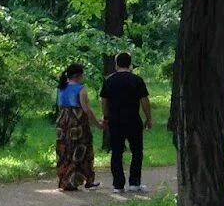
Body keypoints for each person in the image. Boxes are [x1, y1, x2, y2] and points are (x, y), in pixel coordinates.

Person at [100, 50, 152, 193]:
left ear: (116, 64)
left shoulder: (109, 80)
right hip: (133, 119)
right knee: (137, 151)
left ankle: (118, 185)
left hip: (115, 120)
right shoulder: (137, 80)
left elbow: (104, 102)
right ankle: (134, 183)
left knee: (116, 152)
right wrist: (148, 118)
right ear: (130, 64)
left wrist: (106, 117)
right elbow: (144, 101)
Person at [54, 63, 102, 191]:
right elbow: (86, 109)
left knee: (65, 150)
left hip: (62, 124)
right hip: (77, 124)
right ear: (77, 75)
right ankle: (86, 179)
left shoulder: (60, 88)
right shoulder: (80, 89)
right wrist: (97, 123)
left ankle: (65, 180)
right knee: (83, 150)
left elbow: (60, 106)